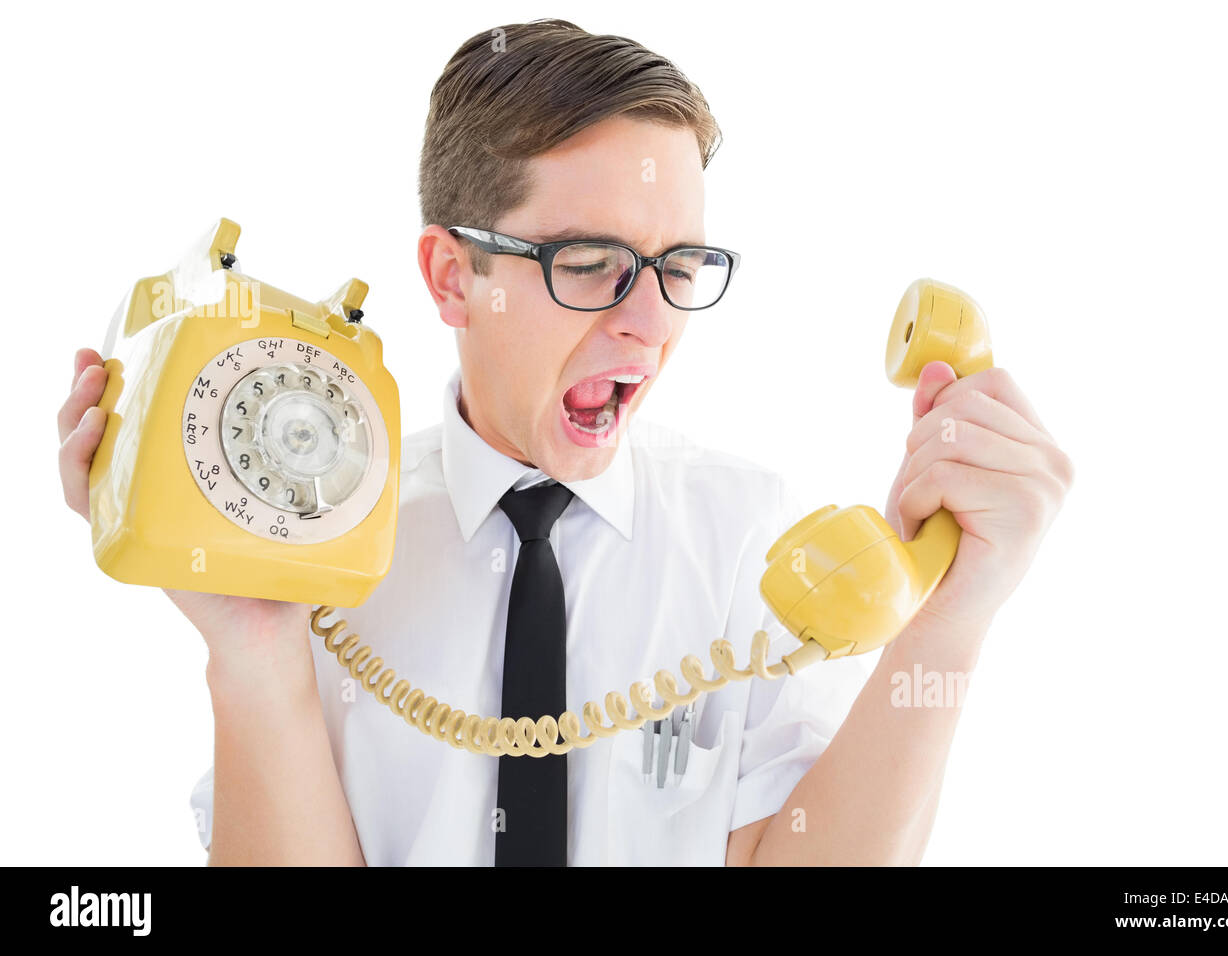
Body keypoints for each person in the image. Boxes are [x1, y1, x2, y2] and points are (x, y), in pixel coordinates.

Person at [56, 18, 1072, 866]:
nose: (649, 322)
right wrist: (254, 651)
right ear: (454, 277)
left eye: (680, 264)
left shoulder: (754, 537)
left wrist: (946, 619)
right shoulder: (311, 544)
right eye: (592, 263)